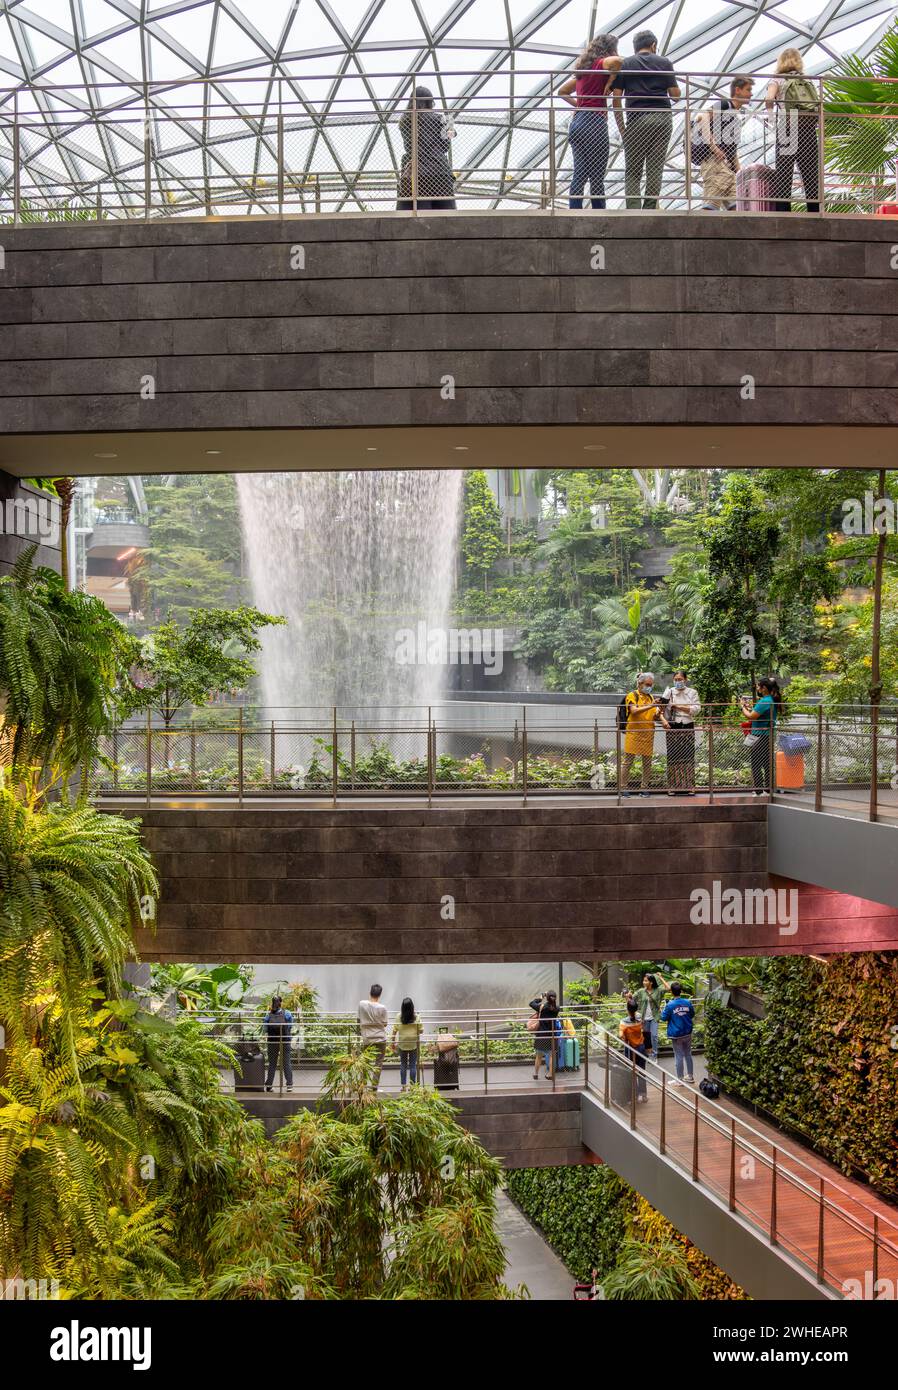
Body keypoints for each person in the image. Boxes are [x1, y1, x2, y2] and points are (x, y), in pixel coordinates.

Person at [607, 31, 680, 209]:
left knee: (633, 171)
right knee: (655, 168)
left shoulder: (626, 63)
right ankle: (649, 210)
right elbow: (676, 96)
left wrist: (622, 128)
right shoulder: (665, 62)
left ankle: (633, 210)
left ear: (635, 47)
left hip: (636, 119)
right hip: (662, 119)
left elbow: (616, 98)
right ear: (654, 45)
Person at [558, 34, 622, 209]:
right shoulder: (601, 64)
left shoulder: (582, 71)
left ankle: (574, 213)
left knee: (579, 174)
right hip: (595, 121)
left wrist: (579, 104)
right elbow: (618, 62)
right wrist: (611, 80)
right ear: (610, 49)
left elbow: (562, 91)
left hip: (577, 123)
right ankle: (599, 215)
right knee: (597, 176)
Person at [765, 50, 820, 213]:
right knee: (810, 174)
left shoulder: (777, 79)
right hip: (808, 129)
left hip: (788, 128)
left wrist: (771, 118)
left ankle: (784, 214)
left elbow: (769, 99)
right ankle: (815, 213)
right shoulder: (806, 79)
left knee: (784, 173)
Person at [691, 76, 754, 210]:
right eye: (748, 90)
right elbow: (703, 117)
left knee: (737, 207)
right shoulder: (725, 104)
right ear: (737, 90)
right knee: (711, 205)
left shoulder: (734, 117)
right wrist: (714, 147)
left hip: (727, 169)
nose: (751, 94)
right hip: (714, 163)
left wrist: (740, 174)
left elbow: (732, 152)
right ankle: (700, 229)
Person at [396, 86, 456, 211]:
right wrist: (450, 127)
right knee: (446, 215)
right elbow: (446, 145)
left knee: (418, 213)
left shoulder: (405, 120)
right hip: (440, 172)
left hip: (416, 173)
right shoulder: (440, 118)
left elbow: (408, 146)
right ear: (430, 101)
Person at [621, 672, 669, 796]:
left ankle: (644, 787)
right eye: (647, 684)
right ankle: (623, 787)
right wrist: (651, 705)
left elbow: (655, 714)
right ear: (640, 683)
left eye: (651, 685)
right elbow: (634, 711)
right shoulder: (632, 695)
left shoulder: (651, 697)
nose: (649, 687)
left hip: (648, 733)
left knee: (647, 762)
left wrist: (662, 718)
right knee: (628, 761)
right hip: (634, 732)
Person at [660, 670, 702, 794]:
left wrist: (678, 706)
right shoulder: (669, 692)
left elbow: (696, 709)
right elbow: (661, 709)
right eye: (676, 679)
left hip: (688, 724)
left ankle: (689, 786)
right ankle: (672, 786)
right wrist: (664, 720)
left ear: (685, 679)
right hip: (673, 725)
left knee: (688, 755)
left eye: (680, 679)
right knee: (673, 755)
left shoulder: (692, 692)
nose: (678, 681)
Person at [741, 676, 783, 795]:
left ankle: (759, 790)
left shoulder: (764, 701)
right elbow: (758, 714)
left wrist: (742, 707)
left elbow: (751, 716)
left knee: (756, 763)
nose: (758, 688)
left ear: (764, 688)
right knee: (766, 762)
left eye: (759, 686)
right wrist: (750, 709)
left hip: (759, 735)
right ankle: (768, 789)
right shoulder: (771, 700)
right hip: (767, 735)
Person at [627, 970, 671, 1062]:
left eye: (646, 981)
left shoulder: (658, 990)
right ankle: (648, 1054)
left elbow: (668, 988)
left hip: (654, 1017)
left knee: (654, 1036)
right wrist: (629, 996)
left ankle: (654, 1055)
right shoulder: (640, 991)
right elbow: (631, 1000)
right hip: (644, 1018)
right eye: (644, 980)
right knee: (646, 1037)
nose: (644, 982)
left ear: (651, 982)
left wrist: (661, 977)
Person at [660, 981, 695, 1086]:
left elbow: (663, 1018)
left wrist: (663, 1009)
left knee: (678, 1056)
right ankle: (690, 1076)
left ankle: (679, 1079)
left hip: (676, 1035)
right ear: (681, 991)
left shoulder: (670, 1005)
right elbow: (692, 1014)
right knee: (688, 1054)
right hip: (687, 1032)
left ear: (671, 992)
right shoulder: (687, 1002)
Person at [358, 983, 389, 1089]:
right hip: (380, 1038)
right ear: (380, 994)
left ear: (370, 992)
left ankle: (363, 1085)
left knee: (365, 1062)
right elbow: (385, 1024)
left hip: (367, 1038)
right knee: (378, 1063)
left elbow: (359, 1019)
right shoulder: (383, 1008)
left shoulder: (362, 1004)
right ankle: (374, 1087)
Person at [391, 996, 423, 1091]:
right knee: (413, 1065)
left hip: (402, 1044)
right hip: (413, 1044)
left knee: (403, 1065)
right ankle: (412, 1087)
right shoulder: (417, 1017)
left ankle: (403, 1087)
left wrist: (392, 1042)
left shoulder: (398, 1016)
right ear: (412, 1007)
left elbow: (394, 1031)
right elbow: (421, 1031)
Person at [263, 995, 294, 1093]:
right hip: (285, 1040)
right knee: (286, 1062)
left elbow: (265, 1029)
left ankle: (269, 1085)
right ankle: (289, 1085)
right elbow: (290, 1027)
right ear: (281, 1002)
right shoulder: (287, 1013)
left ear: (272, 1003)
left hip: (272, 1041)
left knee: (272, 1064)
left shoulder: (268, 1015)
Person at [619, 999, 648, 1101]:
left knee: (631, 1072)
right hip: (641, 1047)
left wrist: (624, 1036)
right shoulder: (640, 1017)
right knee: (642, 1071)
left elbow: (620, 1035)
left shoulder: (624, 1022)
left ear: (627, 1009)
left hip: (631, 1049)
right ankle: (643, 1095)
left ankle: (634, 1095)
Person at [529, 989, 560, 1079]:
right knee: (551, 1056)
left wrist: (540, 998)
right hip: (551, 1035)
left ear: (547, 998)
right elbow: (552, 1006)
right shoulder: (557, 1008)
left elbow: (531, 1003)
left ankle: (536, 1074)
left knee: (538, 1056)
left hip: (541, 1035)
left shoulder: (542, 1007)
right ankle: (550, 1074)